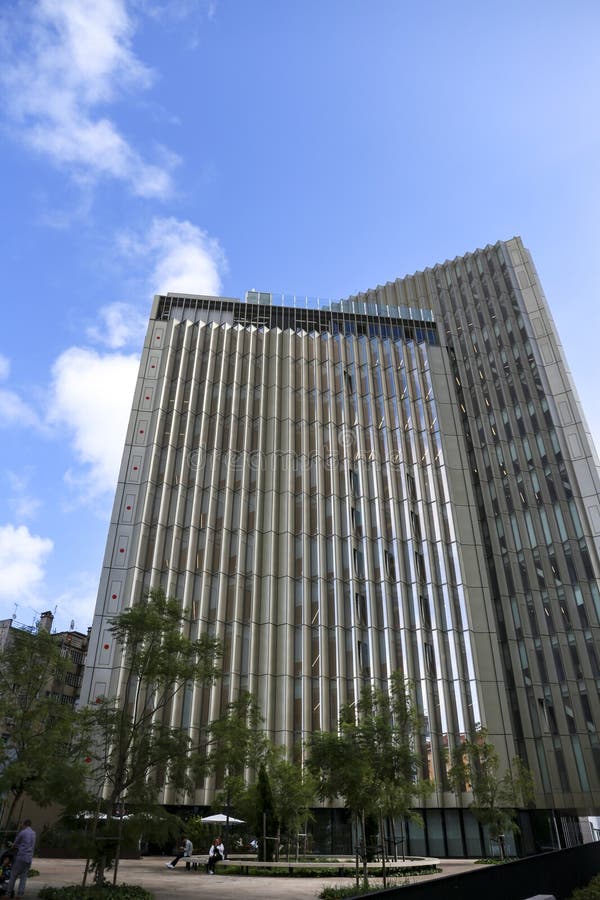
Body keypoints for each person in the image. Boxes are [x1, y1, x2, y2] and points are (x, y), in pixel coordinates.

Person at [4, 820, 35, 898]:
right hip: (29, 858)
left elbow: (15, 844)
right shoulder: (34, 833)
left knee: (13, 876)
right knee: (23, 878)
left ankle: (8, 894)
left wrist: (13, 845)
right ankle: (20, 895)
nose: (21, 825)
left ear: (24, 824)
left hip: (21, 857)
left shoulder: (23, 832)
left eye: (21, 824)